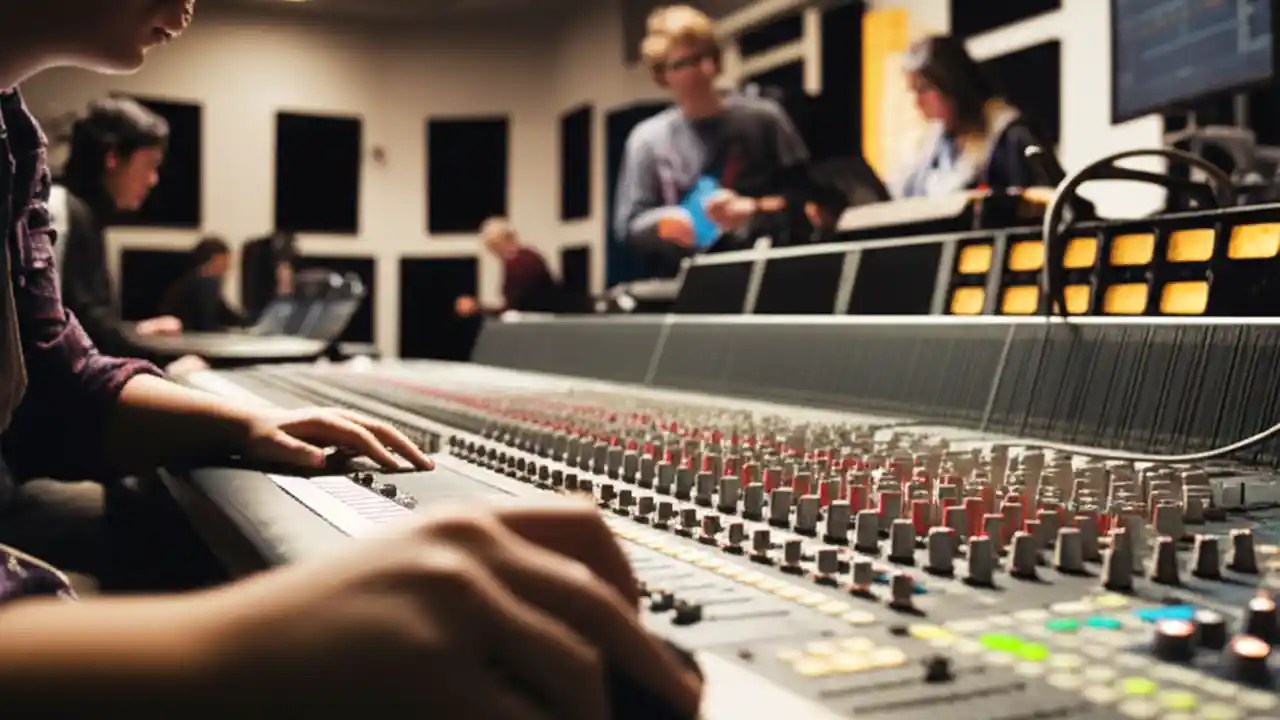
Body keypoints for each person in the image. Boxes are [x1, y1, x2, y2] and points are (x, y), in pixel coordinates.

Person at [0, 2, 701, 716]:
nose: (190, 6)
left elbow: (57, 383)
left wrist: (245, 425)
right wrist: (246, 647)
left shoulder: (13, 137)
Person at [614, 4, 810, 279]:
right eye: (687, 63)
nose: (704, 69)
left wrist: (753, 209)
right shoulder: (647, 139)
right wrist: (666, 224)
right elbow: (628, 226)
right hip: (683, 284)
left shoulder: (765, 119)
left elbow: (809, 203)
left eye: (708, 57)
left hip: (765, 278)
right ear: (662, 74)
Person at [58, 96, 188, 357]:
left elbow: (86, 324)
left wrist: (134, 332)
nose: (153, 180)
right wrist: (163, 367)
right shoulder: (62, 210)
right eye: (150, 165)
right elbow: (75, 339)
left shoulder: (84, 214)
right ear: (113, 157)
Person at [895, 35, 1059, 199]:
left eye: (924, 89)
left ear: (952, 83)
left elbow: (1049, 201)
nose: (918, 102)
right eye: (914, 92)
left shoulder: (1012, 137)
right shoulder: (935, 147)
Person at [455, 217, 565, 317]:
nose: (496, 254)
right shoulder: (529, 257)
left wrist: (477, 308)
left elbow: (514, 308)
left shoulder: (519, 263)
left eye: (494, 247)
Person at [159, 236, 247, 332]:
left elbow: (226, 314)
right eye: (224, 262)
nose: (227, 268)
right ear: (212, 262)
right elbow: (207, 325)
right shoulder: (205, 284)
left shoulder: (189, 282)